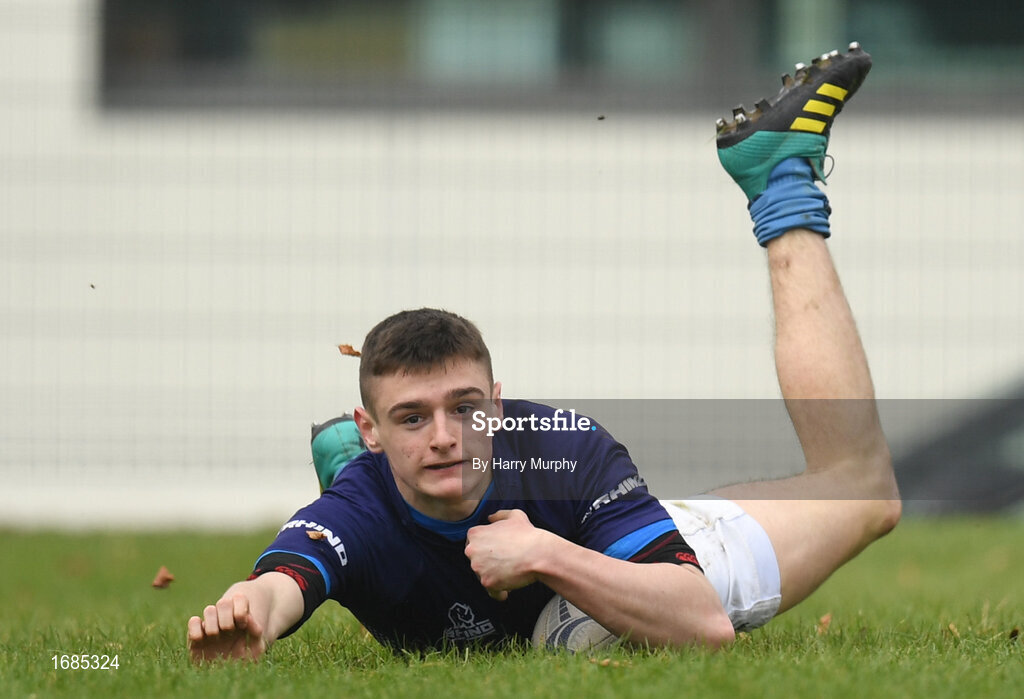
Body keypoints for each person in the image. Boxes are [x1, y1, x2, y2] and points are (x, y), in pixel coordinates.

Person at [187, 43, 900, 662]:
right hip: (459, 528)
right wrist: (247, 611)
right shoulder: (358, 506)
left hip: (616, 550)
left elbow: (701, 621)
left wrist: (547, 555)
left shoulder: (566, 450)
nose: (445, 437)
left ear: (497, 406)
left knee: (864, 493)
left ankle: (778, 181)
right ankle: (783, 178)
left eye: (465, 409)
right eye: (410, 418)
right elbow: (280, 585)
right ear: (371, 429)